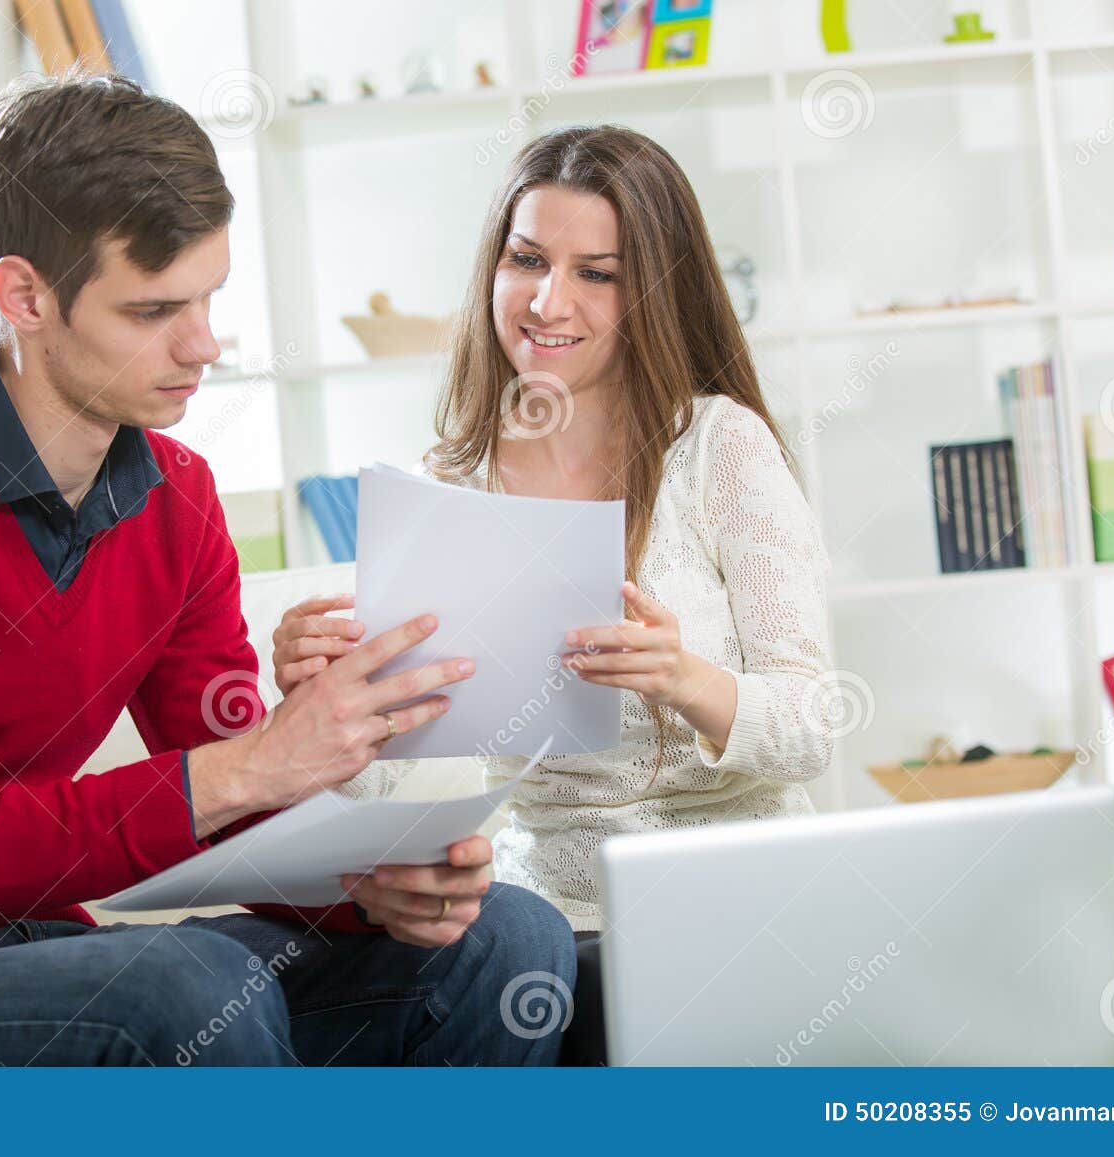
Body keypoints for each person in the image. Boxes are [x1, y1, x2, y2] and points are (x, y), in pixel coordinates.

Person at [0, 72, 575, 1068]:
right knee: (181, 984)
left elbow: (231, 790)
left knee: (507, 939)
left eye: (209, 298)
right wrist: (251, 763)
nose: (203, 346)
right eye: (153, 309)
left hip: (37, 947)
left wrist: (362, 880)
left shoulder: (176, 495)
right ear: (24, 295)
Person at [273, 126, 836, 1064]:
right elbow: (407, 783)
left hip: (736, 892)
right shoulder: (449, 484)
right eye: (527, 259)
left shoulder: (717, 448)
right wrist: (329, 695)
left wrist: (688, 678)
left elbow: (816, 722)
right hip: (555, 918)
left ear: (654, 289)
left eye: (597, 274)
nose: (547, 300)